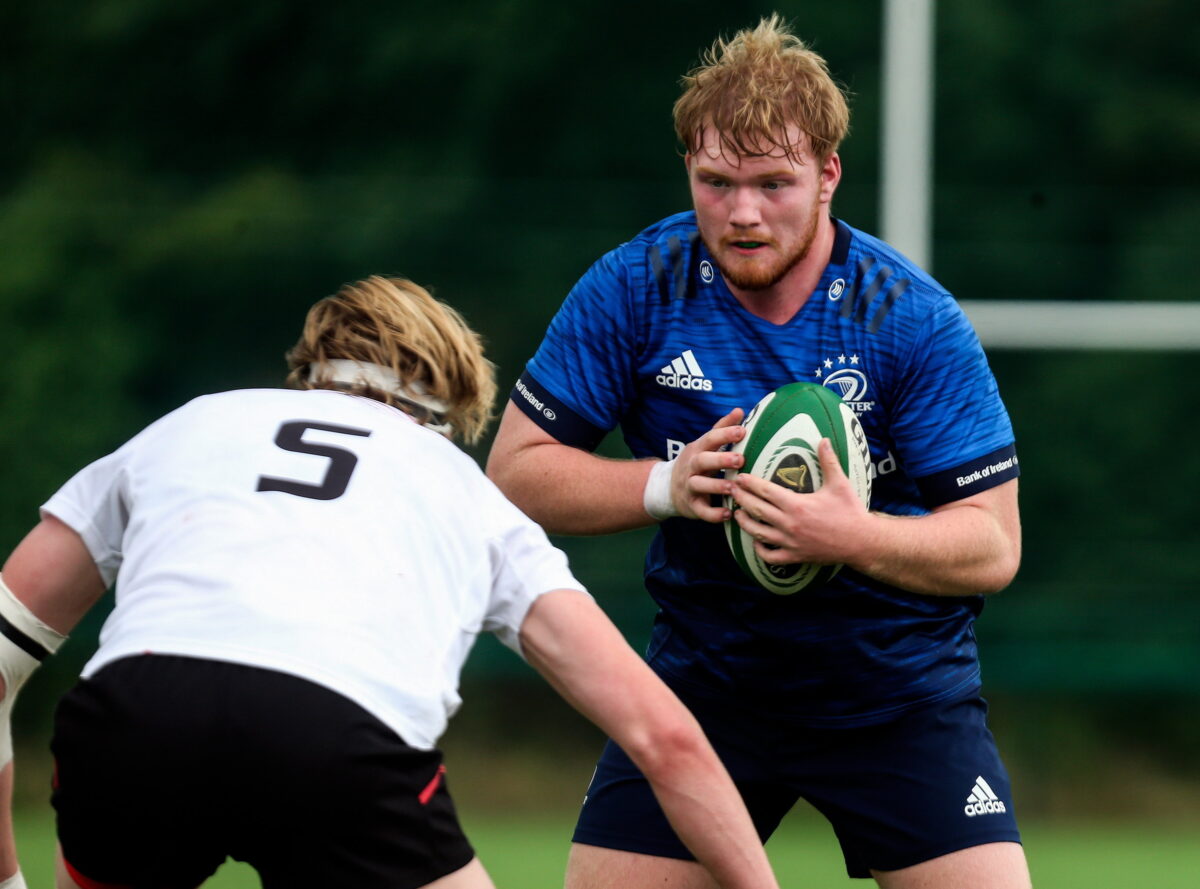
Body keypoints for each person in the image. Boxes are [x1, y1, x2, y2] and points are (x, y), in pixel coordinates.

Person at [0, 275, 783, 889]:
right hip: (333, 738)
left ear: (307, 376)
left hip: (133, 721)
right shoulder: (461, 486)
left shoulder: (191, 422)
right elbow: (667, 737)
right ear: (446, 411)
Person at [486, 14, 1031, 889]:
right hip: (709, 689)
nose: (741, 213)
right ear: (689, 173)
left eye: (774, 183)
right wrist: (665, 483)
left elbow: (993, 544)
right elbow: (513, 471)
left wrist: (850, 535)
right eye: (716, 181)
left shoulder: (909, 317)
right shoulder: (635, 287)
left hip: (895, 692)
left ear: (828, 176)